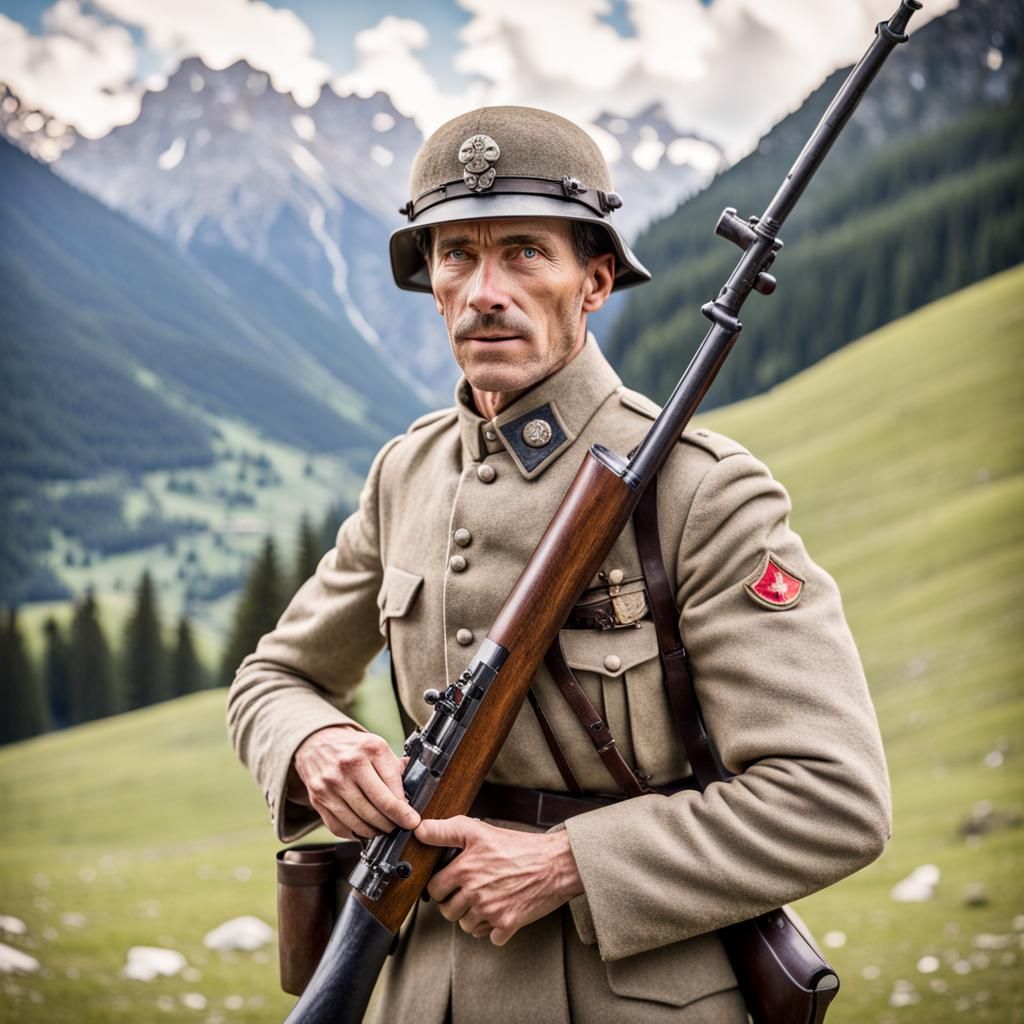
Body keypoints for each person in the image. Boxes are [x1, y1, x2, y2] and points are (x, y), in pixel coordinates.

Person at [227, 105, 891, 1023]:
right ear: (430, 282)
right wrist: (312, 744)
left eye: (526, 253)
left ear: (595, 281)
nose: (484, 290)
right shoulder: (407, 473)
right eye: (456, 254)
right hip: (419, 992)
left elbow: (834, 797)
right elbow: (275, 676)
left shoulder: (700, 491)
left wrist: (571, 861)